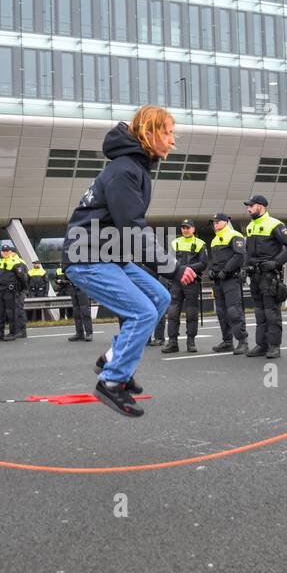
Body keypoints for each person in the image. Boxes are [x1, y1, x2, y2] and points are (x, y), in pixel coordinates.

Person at [64, 106, 178, 416]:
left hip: (111, 254)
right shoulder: (125, 170)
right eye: (167, 132)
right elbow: (133, 228)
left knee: (159, 297)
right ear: (148, 133)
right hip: (88, 257)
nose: (172, 139)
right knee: (142, 313)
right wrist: (172, 267)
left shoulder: (135, 167)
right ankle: (111, 382)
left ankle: (113, 358)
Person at [242, 195, 287, 359]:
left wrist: (276, 262)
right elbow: (248, 251)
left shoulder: (275, 224)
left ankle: (274, 346)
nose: (248, 209)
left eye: (251, 206)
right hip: (255, 275)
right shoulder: (251, 226)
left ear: (261, 206)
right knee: (259, 312)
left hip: (269, 275)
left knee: (271, 312)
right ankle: (262, 344)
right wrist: (245, 267)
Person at [159, 219, 207, 353]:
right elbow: (169, 261)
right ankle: (172, 342)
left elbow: (203, 264)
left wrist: (185, 269)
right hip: (176, 282)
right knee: (173, 313)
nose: (185, 229)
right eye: (183, 227)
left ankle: (190, 342)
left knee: (191, 313)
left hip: (191, 282)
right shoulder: (175, 242)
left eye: (188, 227)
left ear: (193, 229)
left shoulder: (200, 244)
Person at [206, 213, 248, 354]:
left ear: (226, 222)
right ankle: (227, 341)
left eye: (218, 222)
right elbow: (215, 260)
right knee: (221, 312)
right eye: (214, 222)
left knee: (233, 311)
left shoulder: (234, 235)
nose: (215, 224)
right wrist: (212, 270)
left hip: (231, 279)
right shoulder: (214, 240)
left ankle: (243, 342)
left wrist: (225, 270)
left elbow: (239, 256)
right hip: (219, 280)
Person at [0, 244, 27, 341]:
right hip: (1, 290)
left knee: (11, 313)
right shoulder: (2, 262)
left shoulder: (16, 262)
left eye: (7, 251)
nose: (5, 253)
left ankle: (13, 333)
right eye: (3, 251)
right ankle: (0, 333)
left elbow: (23, 278)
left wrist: (22, 289)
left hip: (11, 291)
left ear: (11, 252)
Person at [56, 268, 93, 342]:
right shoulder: (70, 266)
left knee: (85, 311)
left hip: (83, 288)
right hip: (73, 288)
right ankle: (79, 333)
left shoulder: (83, 264)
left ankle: (89, 333)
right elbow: (67, 277)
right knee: (76, 312)